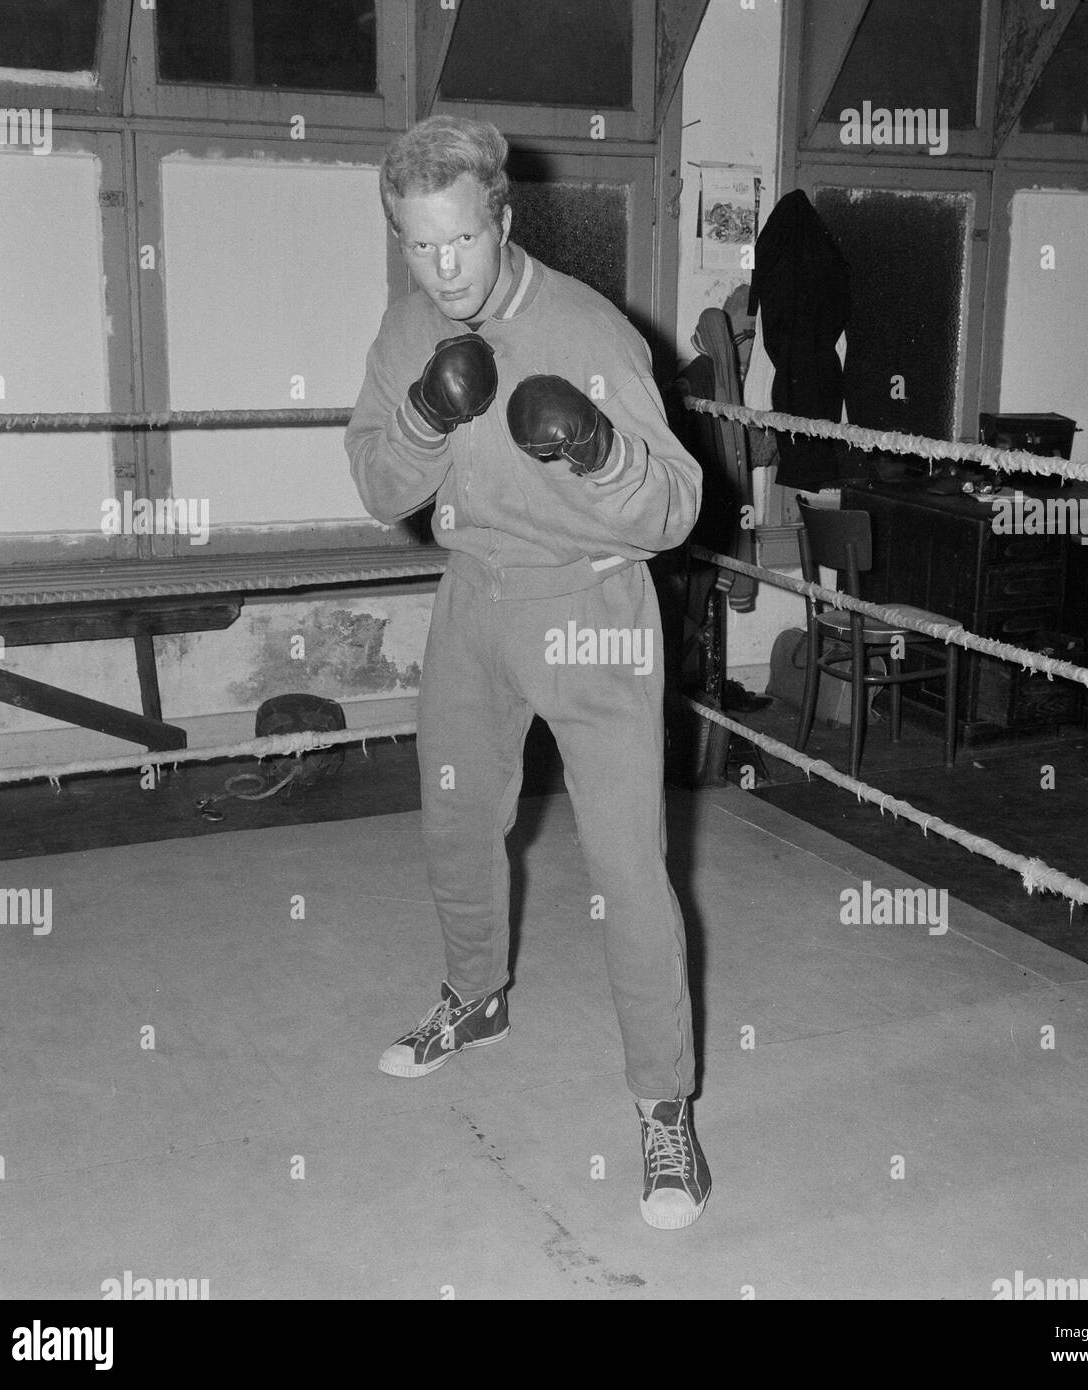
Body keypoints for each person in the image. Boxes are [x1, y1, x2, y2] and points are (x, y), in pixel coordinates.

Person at [345, 115, 710, 1229]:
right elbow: (379, 486)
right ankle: (475, 998)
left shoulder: (590, 328)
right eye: (419, 245)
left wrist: (600, 451)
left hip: (592, 607)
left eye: (460, 239)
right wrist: (422, 414)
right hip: (474, 598)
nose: (443, 269)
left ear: (501, 217)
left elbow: (677, 507)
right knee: (456, 821)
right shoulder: (408, 326)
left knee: (627, 865)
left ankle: (664, 1108)